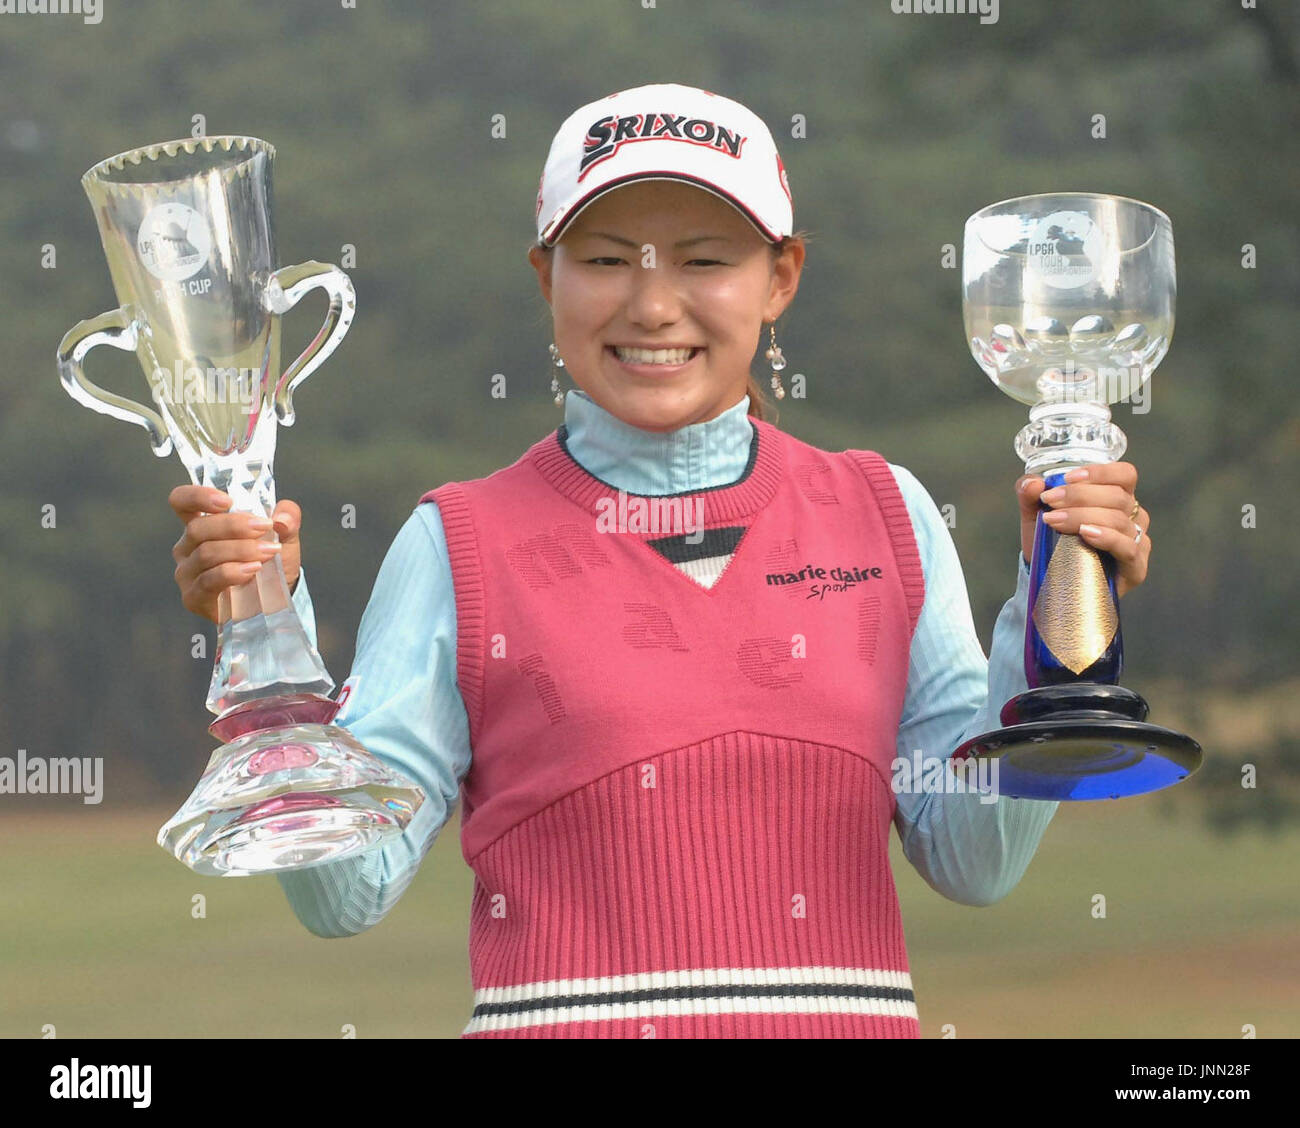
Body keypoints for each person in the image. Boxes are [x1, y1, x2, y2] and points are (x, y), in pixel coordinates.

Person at [168, 83, 1151, 1038]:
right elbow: (347, 892)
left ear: (780, 278)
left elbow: (974, 857)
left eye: (703, 259)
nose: (651, 304)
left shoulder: (882, 511)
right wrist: (266, 624)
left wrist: (1055, 600)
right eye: (604, 259)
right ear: (545, 277)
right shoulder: (458, 541)